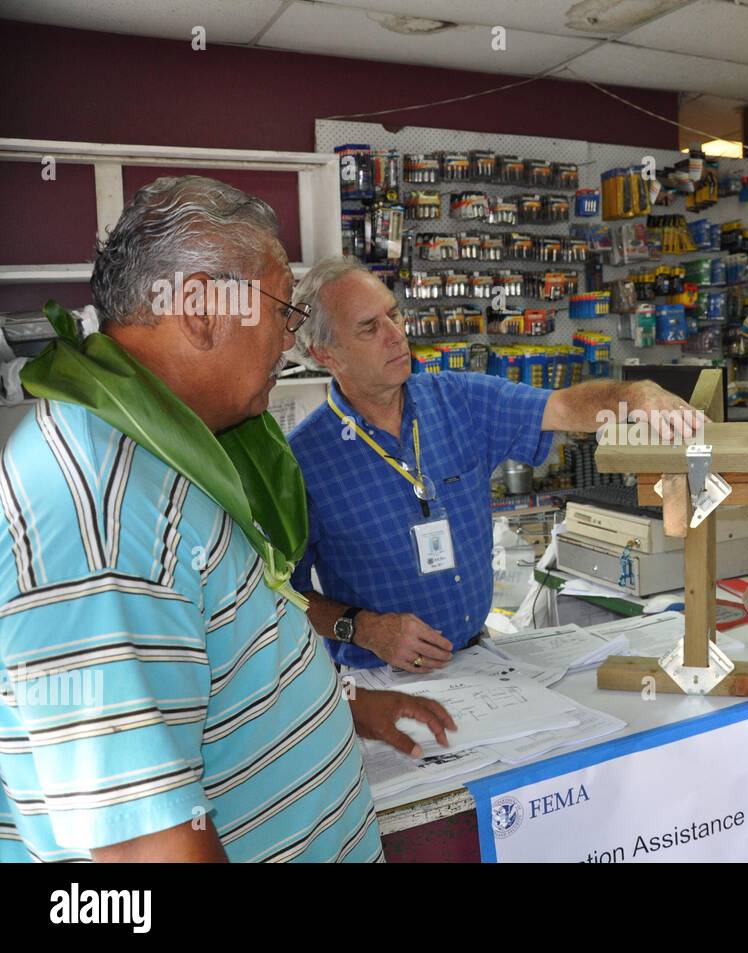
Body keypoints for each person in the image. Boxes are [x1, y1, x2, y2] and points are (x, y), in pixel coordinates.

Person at [0, 177, 454, 863]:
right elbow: (143, 852)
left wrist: (345, 702)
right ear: (204, 311)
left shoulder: (171, 445)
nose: (291, 341)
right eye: (282, 312)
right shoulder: (100, 509)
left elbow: (226, 630)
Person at [287, 257, 700, 672]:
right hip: (376, 680)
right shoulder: (300, 461)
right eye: (369, 328)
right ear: (326, 353)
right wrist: (361, 628)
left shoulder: (460, 400)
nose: (396, 336)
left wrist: (636, 396)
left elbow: (562, 407)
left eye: (394, 314)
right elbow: (284, 592)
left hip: (476, 659)